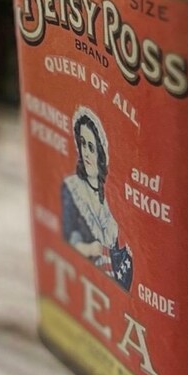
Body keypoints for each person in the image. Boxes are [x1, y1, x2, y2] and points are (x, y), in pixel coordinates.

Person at [61, 108, 133, 290]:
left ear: (101, 153)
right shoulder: (73, 189)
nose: (85, 152)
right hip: (81, 284)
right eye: (82, 144)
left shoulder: (110, 196)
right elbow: (68, 239)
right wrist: (90, 249)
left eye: (91, 147)